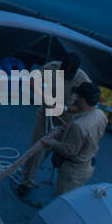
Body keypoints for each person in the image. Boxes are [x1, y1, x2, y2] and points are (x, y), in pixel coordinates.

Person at [16, 52, 91, 195]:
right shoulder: (52, 67)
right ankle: (26, 181)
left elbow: (85, 107)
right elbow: (32, 81)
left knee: (66, 151)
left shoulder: (83, 81)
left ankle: (64, 185)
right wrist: (45, 97)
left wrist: (64, 108)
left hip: (67, 119)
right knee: (36, 147)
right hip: (46, 112)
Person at [39, 81, 107, 195]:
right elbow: (94, 134)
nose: (75, 99)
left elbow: (69, 151)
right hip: (87, 165)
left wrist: (51, 142)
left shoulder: (79, 126)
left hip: (72, 172)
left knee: (62, 199)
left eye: (78, 96)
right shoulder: (101, 114)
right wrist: (70, 128)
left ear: (83, 100)